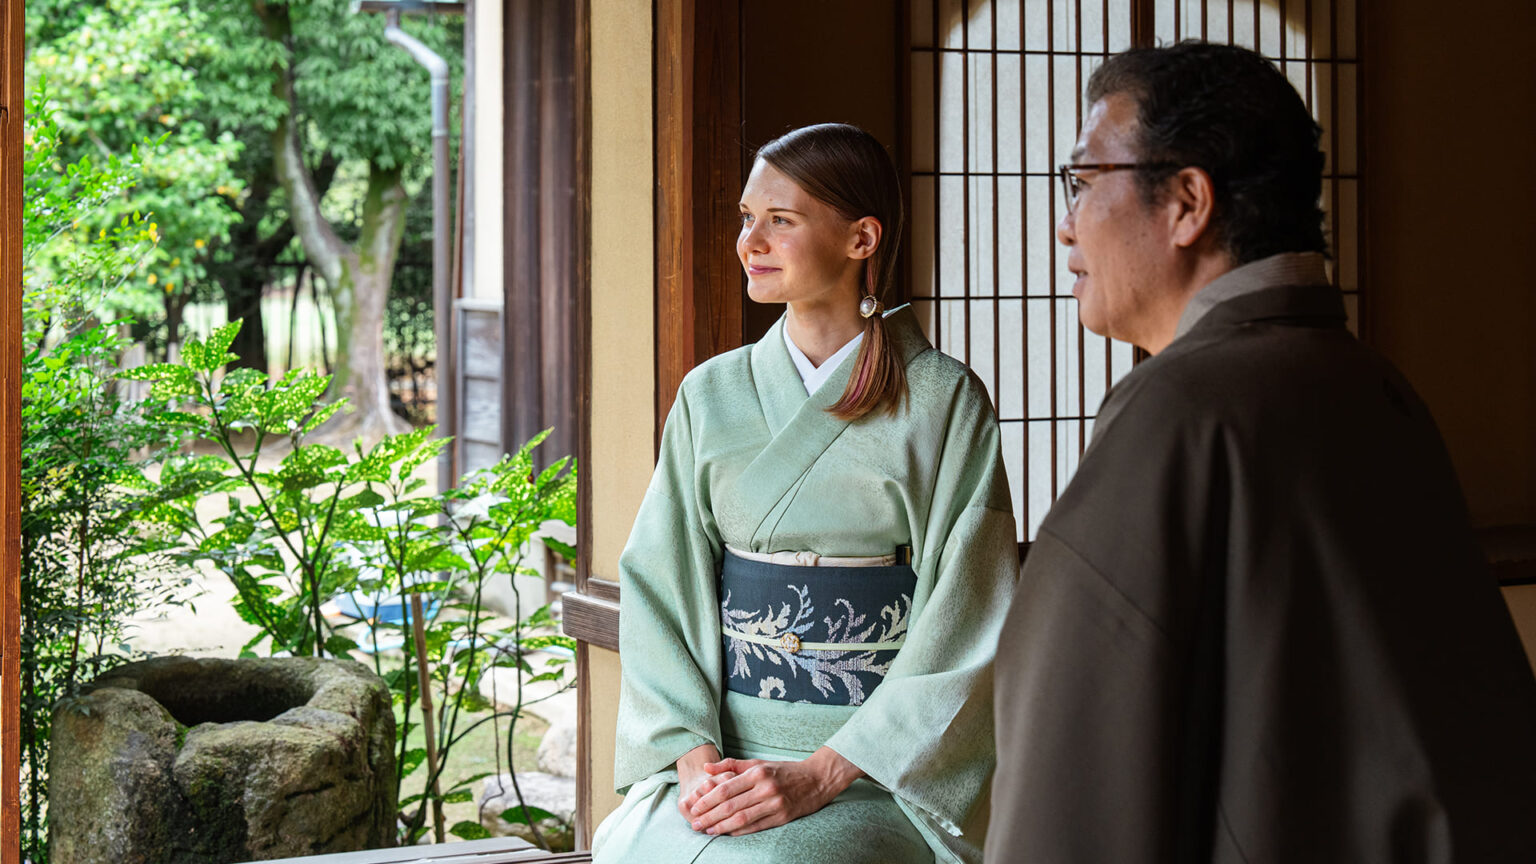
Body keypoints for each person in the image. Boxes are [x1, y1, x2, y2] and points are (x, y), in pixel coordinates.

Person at [985, 41, 1536, 863]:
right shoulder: (1373, 385)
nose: (1067, 222)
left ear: (1187, 203)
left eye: (1084, 181)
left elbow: (1074, 776)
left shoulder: (1181, 411)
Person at [591, 123, 1017, 864]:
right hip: (721, 756)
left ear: (861, 239)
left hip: (874, 771)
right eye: (746, 218)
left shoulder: (944, 401)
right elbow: (659, 583)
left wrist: (821, 774)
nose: (749, 242)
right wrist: (696, 764)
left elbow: (969, 615)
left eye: (780, 220)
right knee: (633, 849)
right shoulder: (709, 394)